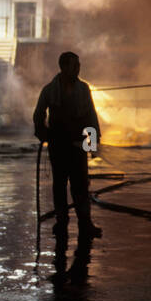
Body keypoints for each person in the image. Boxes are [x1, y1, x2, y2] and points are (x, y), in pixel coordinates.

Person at [33, 52, 102, 238]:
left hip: (78, 145)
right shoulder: (49, 90)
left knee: (80, 185)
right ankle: (61, 221)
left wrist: (94, 141)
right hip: (58, 145)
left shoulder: (83, 89)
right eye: (74, 66)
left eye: (78, 65)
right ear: (63, 67)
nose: (78, 69)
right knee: (60, 185)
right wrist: (43, 133)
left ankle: (85, 223)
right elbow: (39, 114)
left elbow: (91, 116)